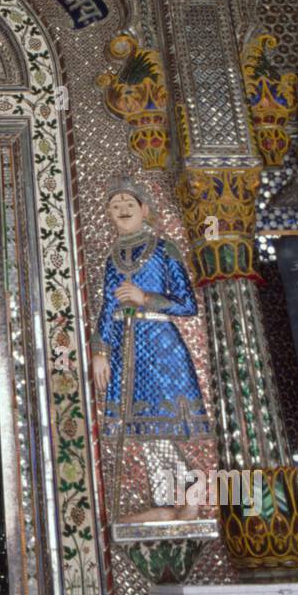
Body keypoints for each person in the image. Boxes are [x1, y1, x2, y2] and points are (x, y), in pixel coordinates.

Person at [90, 177, 208, 522]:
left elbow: (188, 304)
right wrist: (101, 351)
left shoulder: (163, 248)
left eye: (128, 203)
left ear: (144, 209)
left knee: (159, 422)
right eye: (115, 205)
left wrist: (145, 298)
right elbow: (107, 308)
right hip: (127, 345)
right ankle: (166, 501)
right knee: (139, 424)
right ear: (108, 215)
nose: (122, 210)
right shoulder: (113, 258)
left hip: (159, 342)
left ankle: (188, 488)